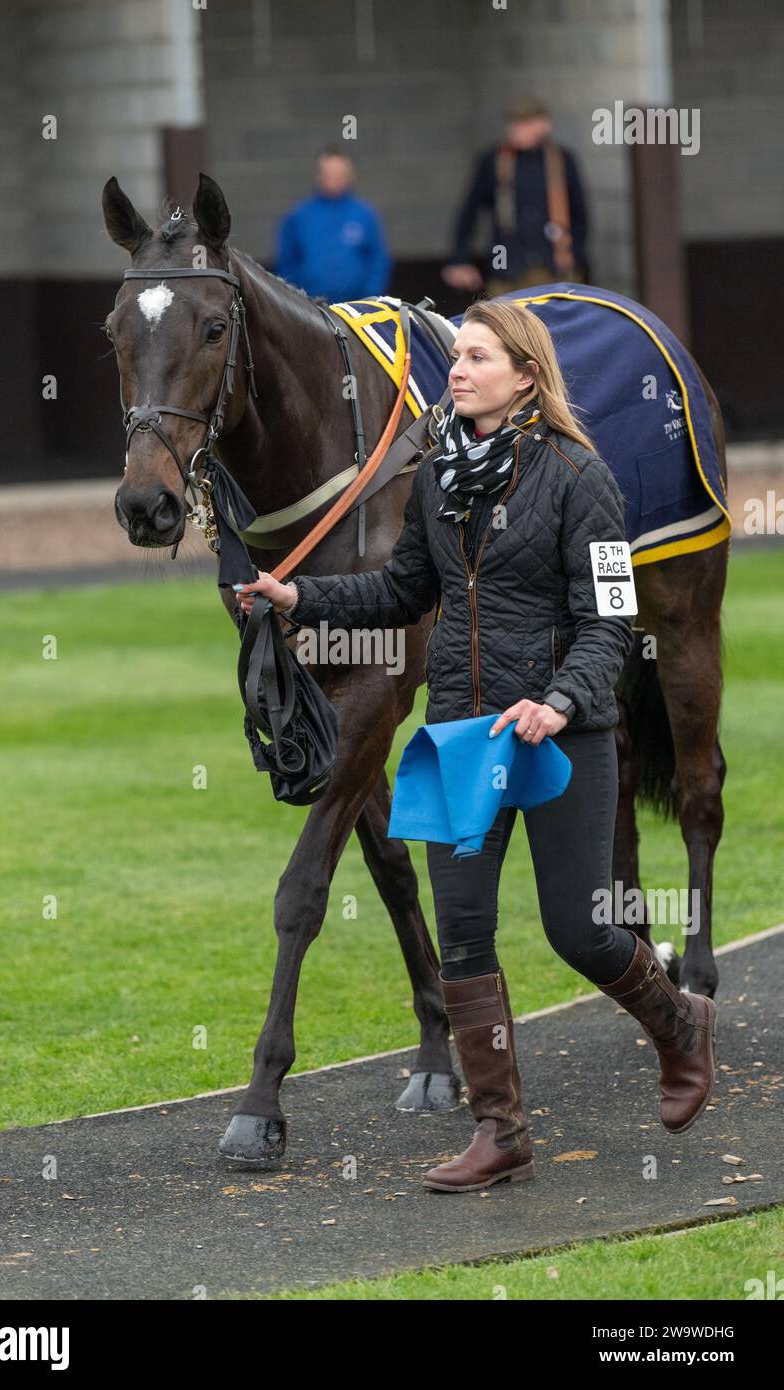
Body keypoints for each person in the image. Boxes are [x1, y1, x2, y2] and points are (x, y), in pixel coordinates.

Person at [233, 301, 717, 1193]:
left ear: (525, 376)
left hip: (564, 736)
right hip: (460, 733)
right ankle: (501, 1132)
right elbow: (402, 588)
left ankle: (679, 1026)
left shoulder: (585, 479)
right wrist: (299, 598)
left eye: (478, 358)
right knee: (463, 934)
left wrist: (563, 700)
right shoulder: (436, 477)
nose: (455, 369)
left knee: (582, 932)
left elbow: (611, 624)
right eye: (455, 356)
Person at [442, 98, 588, 297]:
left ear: (544, 125)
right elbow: (469, 212)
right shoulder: (494, 159)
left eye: (525, 123)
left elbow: (580, 214)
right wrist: (459, 259)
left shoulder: (561, 159)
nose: (517, 130)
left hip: (553, 265)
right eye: (514, 123)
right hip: (505, 265)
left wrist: (574, 252)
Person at [275, 146, 392, 303]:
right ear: (319, 175)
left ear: (350, 176)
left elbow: (378, 259)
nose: (333, 178)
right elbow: (287, 262)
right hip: (311, 308)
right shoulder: (298, 215)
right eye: (329, 173)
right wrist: (297, 299)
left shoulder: (364, 214)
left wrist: (369, 298)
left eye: (339, 173)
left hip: (358, 307)